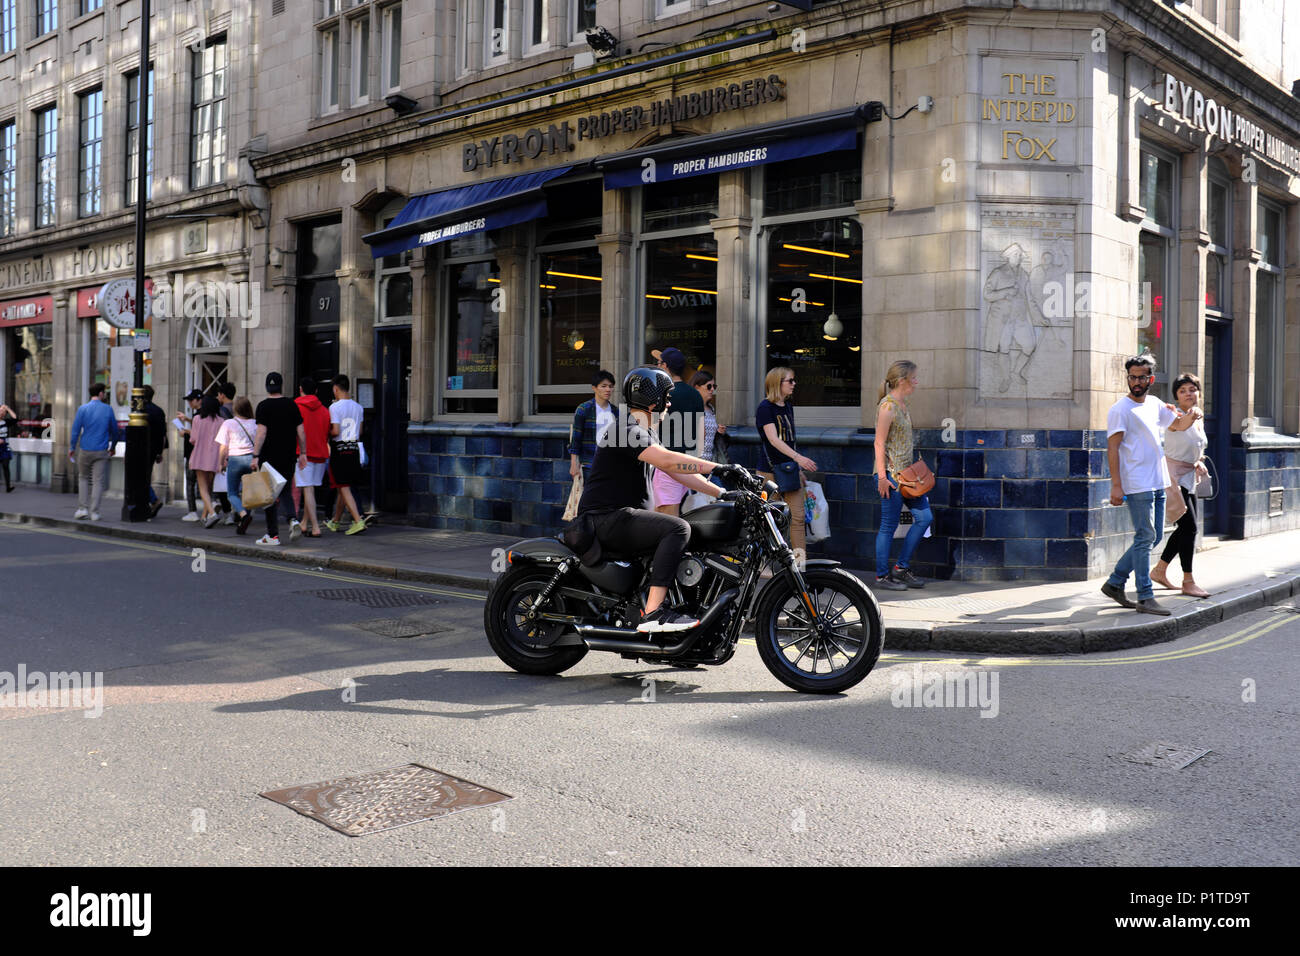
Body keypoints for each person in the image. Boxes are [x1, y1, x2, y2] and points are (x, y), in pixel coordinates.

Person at [578, 367, 741, 633]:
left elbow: (674, 469)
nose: (668, 404)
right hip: (605, 518)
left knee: (691, 535)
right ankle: (653, 613)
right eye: (665, 398)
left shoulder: (644, 432)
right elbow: (668, 460)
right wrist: (717, 467)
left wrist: (722, 493)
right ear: (651, 400)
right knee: (677, 527)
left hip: (621, 518)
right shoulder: (626, 429)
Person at [1101, 353, 1201, 616]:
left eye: (1141, 377)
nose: (1136, 381)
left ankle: (1115, 583)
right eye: (1132, 377)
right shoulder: (1120, 409)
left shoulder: (1155, 404)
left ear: (1150, 379)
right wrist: (1116, 485)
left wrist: (1191, 413)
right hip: (1137, 483)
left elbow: (1177, 425)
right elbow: (1113, 449)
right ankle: (1145, 596)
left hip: (1158, 480)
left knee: (1154, 535)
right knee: (1145, 536)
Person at [873, 360, 934, 590]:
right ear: (902, 381)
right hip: (891, 477)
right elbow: (879, 443)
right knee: (888, 526)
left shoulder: (903, 404)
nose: (917, 382)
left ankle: (900, 568)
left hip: (909, 477)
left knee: (925, 518)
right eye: (914, 378)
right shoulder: (888, 406)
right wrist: (882, 477)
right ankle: (881, 577)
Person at [1150, 372, 1212, 599]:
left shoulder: (1198, 417)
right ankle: (1188, 581)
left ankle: (1159, 570)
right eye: (1183, 390)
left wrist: (1198, 461)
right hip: (1173, 476)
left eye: (1192, 389)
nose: (1188, 393)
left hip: (1188, 475)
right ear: (1176, 396)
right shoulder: (1173, 414)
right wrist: (1193, 414)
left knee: (1186, 528)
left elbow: (1196, 444)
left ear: (1198, 392)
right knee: (1190, 528)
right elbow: (1181, 427)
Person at [756, 366, 816, 562]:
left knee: (797, 519)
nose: (794, 384)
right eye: (790, 381)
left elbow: (791, 440)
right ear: (777, 383)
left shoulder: (788, 406)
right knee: (770, 521)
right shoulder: (765, 408)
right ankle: (766, 563)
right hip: (769, 471)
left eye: (793, 380)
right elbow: (773, 440)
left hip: (790, 471)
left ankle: (800, 564)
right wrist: (799, 459)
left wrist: (797, 468)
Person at [252, 372, 308, 546]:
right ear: (281, 386)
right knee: (285, 491)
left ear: (267, 387)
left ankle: (273, 536)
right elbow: (301, 431)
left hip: (269, 458)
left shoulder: (263, 406)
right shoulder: (292, 405)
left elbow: (261, 433)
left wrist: (255, 456)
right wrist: (303, 453)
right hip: (288, 456)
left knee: (268, 496)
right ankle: (293, 519)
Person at [650, 347, 704, 516]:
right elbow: (701, 432)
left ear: (665, 366)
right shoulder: (695, 394)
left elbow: (651, 428)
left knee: (668, 518)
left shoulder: (662, 393)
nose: (657, 367)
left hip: (666, 463)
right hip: (688, 463)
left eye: (658, 363)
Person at [323, 374, 367, 534]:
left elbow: (335, 430)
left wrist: (325, 432)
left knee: (342, 485)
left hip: (339, 450)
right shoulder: (358, 407)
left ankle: (357, 520)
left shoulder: (334, 407)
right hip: (354, 449)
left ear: (335, 388)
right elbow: (360, 431)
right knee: (344, 486)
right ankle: (335, 521)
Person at [68, 383, 118, 521]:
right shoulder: (108, 409)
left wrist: (72, 447)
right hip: (101, 450)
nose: (105, 395)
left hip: (85, 449)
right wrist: (113, 446)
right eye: (105, 393)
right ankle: (95, 512)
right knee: (98, 482)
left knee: (83, 478)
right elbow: (115, 431)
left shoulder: (82, 409)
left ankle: (82, 509)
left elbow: (75, 431)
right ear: (101, 394)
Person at [215, 397, 259, 535]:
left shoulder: (228, 423)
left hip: (235, 460)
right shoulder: (255, 423)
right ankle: (243, 520)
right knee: (249, 494)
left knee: (232, 493)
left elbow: (223, 447)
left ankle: (243, 515)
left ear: (235, 409)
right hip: (251, 459)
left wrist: (221, 463)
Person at [295, 376, 331, 537]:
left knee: (307, 489)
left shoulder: (296, 406)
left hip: (303, 454)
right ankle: (304, 523)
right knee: (310, 489)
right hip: (321, 454)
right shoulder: (324, 410)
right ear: (316, 391)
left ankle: (315, 527)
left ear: (300, 390)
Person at [568, 369, 619, 484]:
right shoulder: (584, 409)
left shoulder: (616, 412)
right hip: (589, 464)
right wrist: (573, 464)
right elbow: (576, 439)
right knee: (590, 499)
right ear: (594, 388)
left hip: (611, 464)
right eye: (604, 386)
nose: (608, 389)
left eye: (611, 386)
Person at [188, 395, 225, 528]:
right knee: (209, 488)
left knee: (202, 489)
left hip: (200, 455)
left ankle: (212, 514)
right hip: (215, 457)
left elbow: (193, 439)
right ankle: (205, 516)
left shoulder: (197, 419)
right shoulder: (221, 421)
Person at [690, 370, 727, 470]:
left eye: (714, 387)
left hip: (710, 463)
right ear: (697, 387)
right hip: (694, 463)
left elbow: (711, 439)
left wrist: (719, 431)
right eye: (708, 386)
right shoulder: (690, 407)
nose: (712, 390)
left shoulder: (711, 409)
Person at [142, 385, 168, 518]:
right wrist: (160, 452)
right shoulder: (159, 411)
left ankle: (153, 500)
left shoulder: (140, 411)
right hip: (154, 450)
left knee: (140, 478)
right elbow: (163, 434)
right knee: (145, 476)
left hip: (141, 449)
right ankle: (149, 502)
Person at [178, 389, 204, 520]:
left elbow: (197, 435)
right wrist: (187, 419)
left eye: (191, 400)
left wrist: (185, 432)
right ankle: (209, 510)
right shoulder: (201, 415)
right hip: (200, 454)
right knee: (203, 483)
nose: (189, 402)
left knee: (191, 482)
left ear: (199, 400)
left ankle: (193, 511)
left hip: (193, 454)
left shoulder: (199, 415)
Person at [0, 399, 16, 492]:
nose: (2, 413)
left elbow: (15, 418)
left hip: (4, 448)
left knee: (6, 466)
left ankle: (8, 487)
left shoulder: (6, 422)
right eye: (0, 411)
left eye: (3, 411)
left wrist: (8, 409)